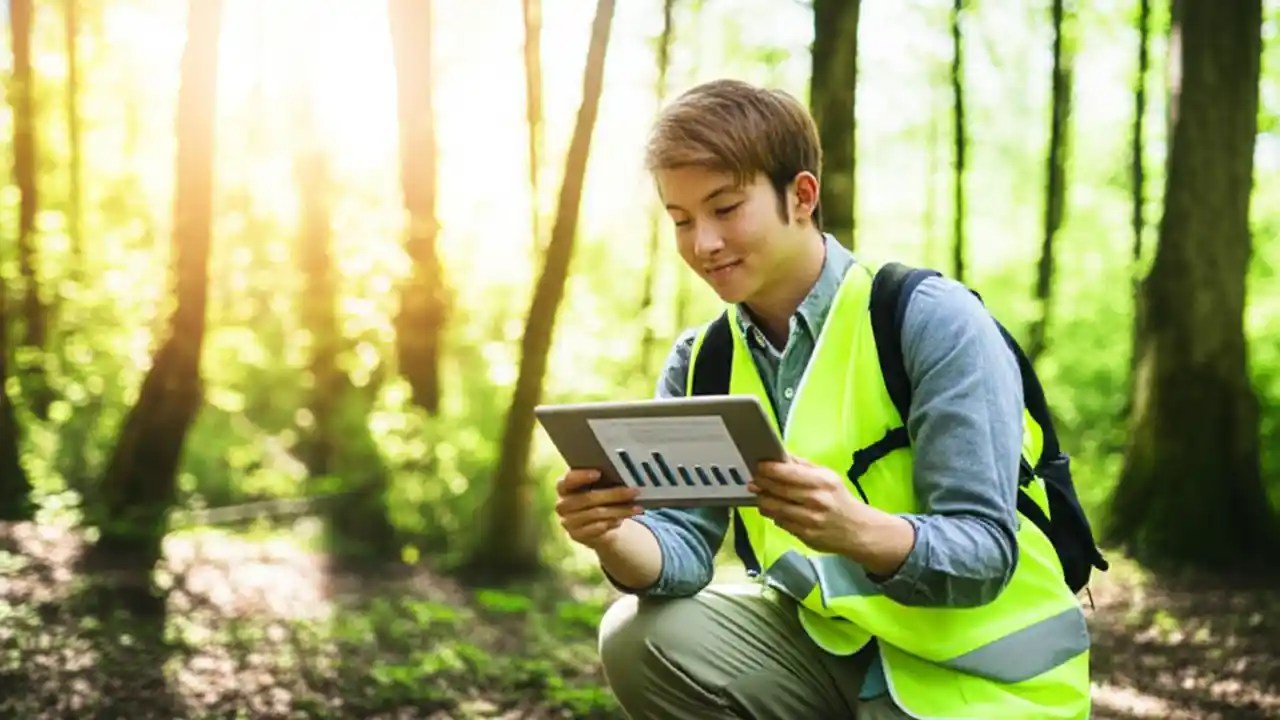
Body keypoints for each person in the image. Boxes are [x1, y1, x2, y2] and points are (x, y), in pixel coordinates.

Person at [553, 78, 1091, 720]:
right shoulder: (705, 361)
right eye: (681, 220)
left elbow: (983, 552)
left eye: (725, 209)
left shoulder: (928, 321)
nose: (703, 244)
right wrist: (611, 533)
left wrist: (856, 529)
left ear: (801, 195)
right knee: (640, 637)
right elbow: (683, 551)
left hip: (991, 684)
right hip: (835, 655)